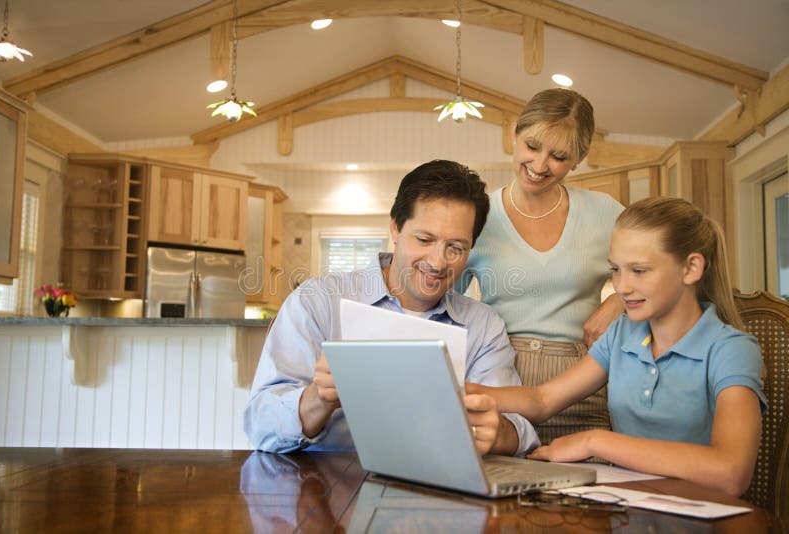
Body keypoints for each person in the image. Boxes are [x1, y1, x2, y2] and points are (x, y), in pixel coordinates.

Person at [468, 197, 766, 496]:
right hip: (628, 503)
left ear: (691, 268)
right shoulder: (622, 333)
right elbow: (542, 400)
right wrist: (457, 391)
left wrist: (596, 442)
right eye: (615, 269)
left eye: (639, 271)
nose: (622, 287)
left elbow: (731, 473)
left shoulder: (731, 350)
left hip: (699, 509)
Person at [244, 159, 539, 456]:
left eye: (456, 248)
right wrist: (318, 399)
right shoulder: (316, 302)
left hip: (436, 477)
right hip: (324, 476)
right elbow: (260, 426)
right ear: (395, 228)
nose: (438, 262)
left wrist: (498, 434)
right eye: (424, 239)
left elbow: (521, 430)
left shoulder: (483, 325)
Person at [456, 88, 625, 445]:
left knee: (587, 478)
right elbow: (442, 305)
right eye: (532, 146)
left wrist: (618, 301)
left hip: (581, 384)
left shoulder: (605, 212)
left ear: (580, 158)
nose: (540, 165)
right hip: (497, 377)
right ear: (514, 135)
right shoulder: (477, 215)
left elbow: (660, 271)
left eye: (559, 156)